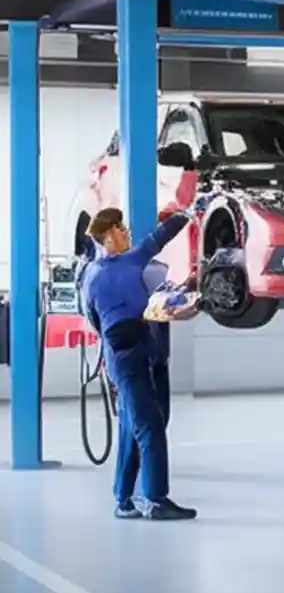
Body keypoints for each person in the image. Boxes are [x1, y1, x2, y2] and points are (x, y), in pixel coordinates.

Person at [81, 203, 204, 520]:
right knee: (150, 427)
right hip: (125, 356)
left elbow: (158, 237)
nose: (127, 234)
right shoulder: (98, 273)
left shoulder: (117, 265)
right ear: (108, 236)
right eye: (121, 229)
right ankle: (156, 500)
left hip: (135, 351)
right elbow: (95, 320)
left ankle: (123, 499)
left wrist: (187, 214)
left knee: (130, 428)